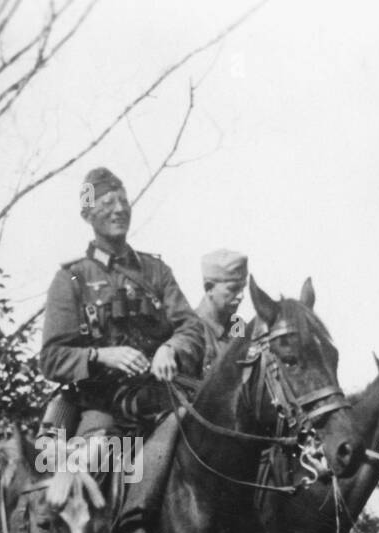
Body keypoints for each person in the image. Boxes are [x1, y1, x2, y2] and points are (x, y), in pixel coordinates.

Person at [38, 167, 206, 436]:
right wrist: (101, 356)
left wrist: (171, 348)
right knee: (95, 457)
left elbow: (192, 327)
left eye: (123, 201)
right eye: (107, 203)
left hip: (164, 396)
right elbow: (51, 358)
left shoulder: (155, 271)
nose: (119, 209)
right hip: (105, 406)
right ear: (87, 215)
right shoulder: (72, 279)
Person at [196, 248, 248, 376]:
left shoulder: (239, 325)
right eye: (233, 289)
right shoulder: (191, 330)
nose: (241, 296)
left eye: (242, 288)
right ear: (209, 288)